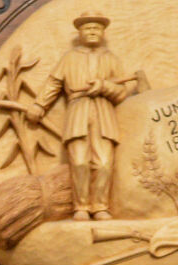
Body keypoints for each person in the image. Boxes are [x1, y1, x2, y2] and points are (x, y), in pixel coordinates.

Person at [29, 13, 135, 220]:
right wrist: (39, 105)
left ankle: (101, 206)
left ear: (103, 33)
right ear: (79, 33)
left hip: (103, 112)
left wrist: (104, 86)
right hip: (78, 110)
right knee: (79, 162)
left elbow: (121, 92)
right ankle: (81, 207)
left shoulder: (110, 59)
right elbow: (53, 84)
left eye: (97, 28)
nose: (93, 31)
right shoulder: (70, 58)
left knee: (104, 163)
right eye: (88, 28)